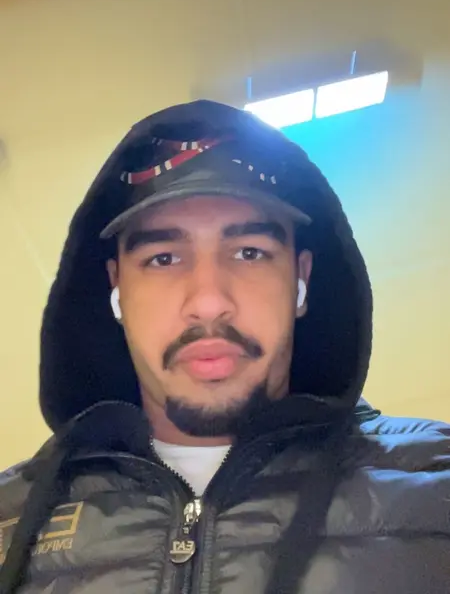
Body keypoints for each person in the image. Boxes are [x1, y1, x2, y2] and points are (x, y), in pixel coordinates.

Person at [0, 100, 448, 594]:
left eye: (249, 252)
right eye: (164, 258)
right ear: (117, 290)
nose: (209, 302)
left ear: (300, 280)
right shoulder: (8, 514)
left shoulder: (437, 485)